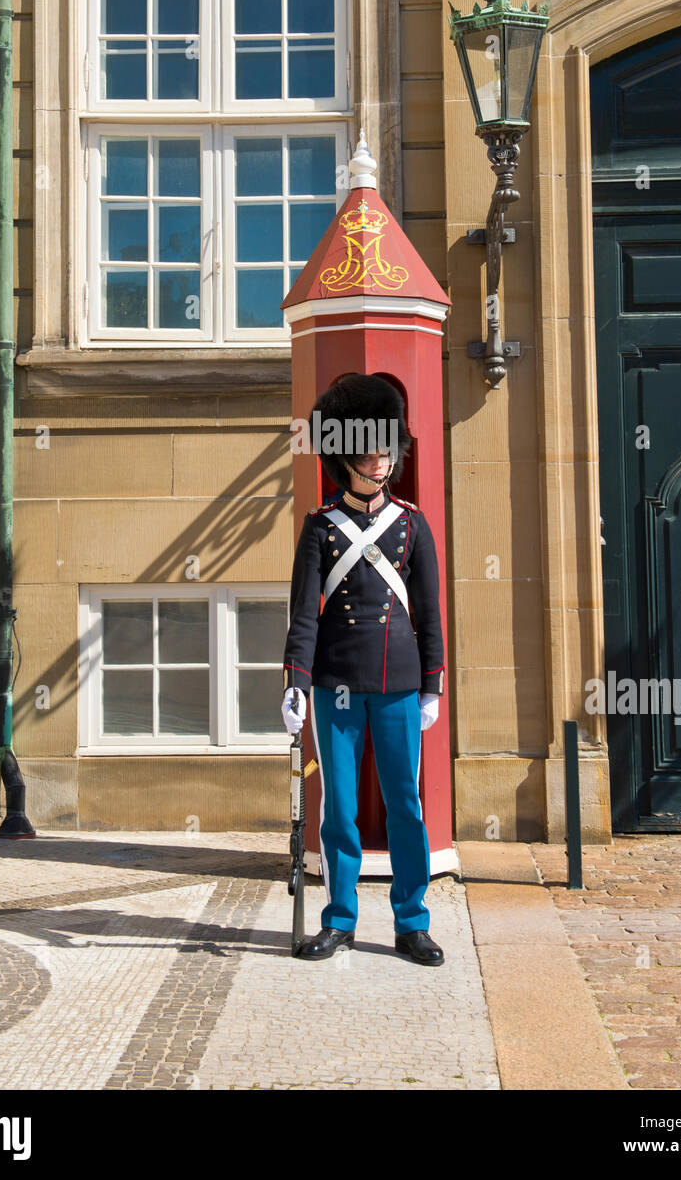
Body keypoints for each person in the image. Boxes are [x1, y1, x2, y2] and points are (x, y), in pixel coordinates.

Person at [281, 372, 446, 966]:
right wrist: (295, 682)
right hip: (337, 684)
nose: (382, 461)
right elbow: (303, 614)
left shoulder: (411, 524)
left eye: (387, 448)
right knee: (340, 809)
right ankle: (341, 919)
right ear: (346, 457)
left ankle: (412, 921)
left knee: (406, 805)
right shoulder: (320, 528)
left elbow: (428, 611)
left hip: (400, 683)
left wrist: (433, 683)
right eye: (371, 451)